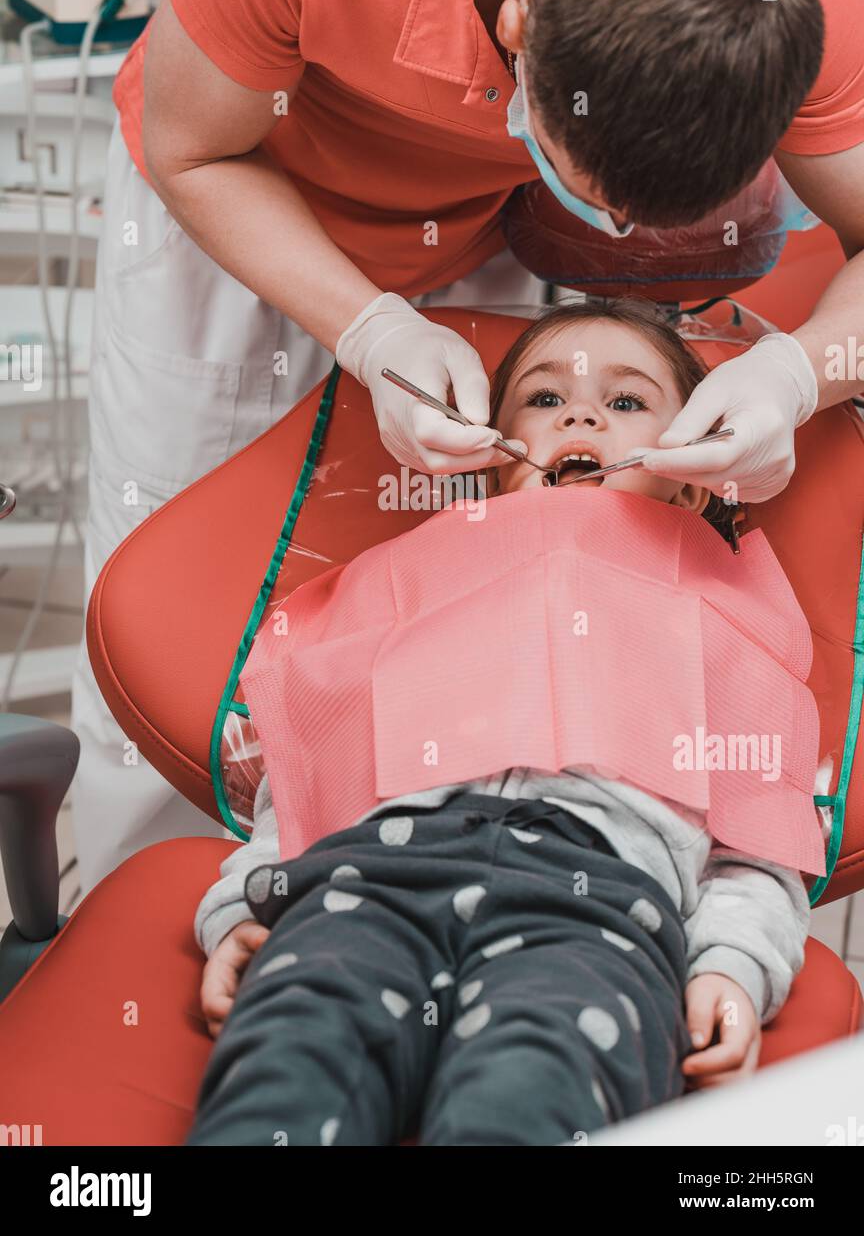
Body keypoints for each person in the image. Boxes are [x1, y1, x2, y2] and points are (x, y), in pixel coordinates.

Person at [72, 0, 864, 892]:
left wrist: (803, 373)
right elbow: (196, 152)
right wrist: (371, 330)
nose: (619, 231)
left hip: (474, 227)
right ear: (515, 34)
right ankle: (157, 913)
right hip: (237, 194)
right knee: (191, 591)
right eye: (606, 201)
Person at [185, 301, 815, 1146]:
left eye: (627, 403)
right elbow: (306, 788)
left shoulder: (727, 622)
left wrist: (733, 968)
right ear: (485, 460)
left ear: (695, 473)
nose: (583, 413)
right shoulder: (405, 587)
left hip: (599, 914)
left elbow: (760, 853)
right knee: (292, 1063)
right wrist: (242, 907)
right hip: (364, 885)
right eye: (545, 400)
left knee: (530, 1093)